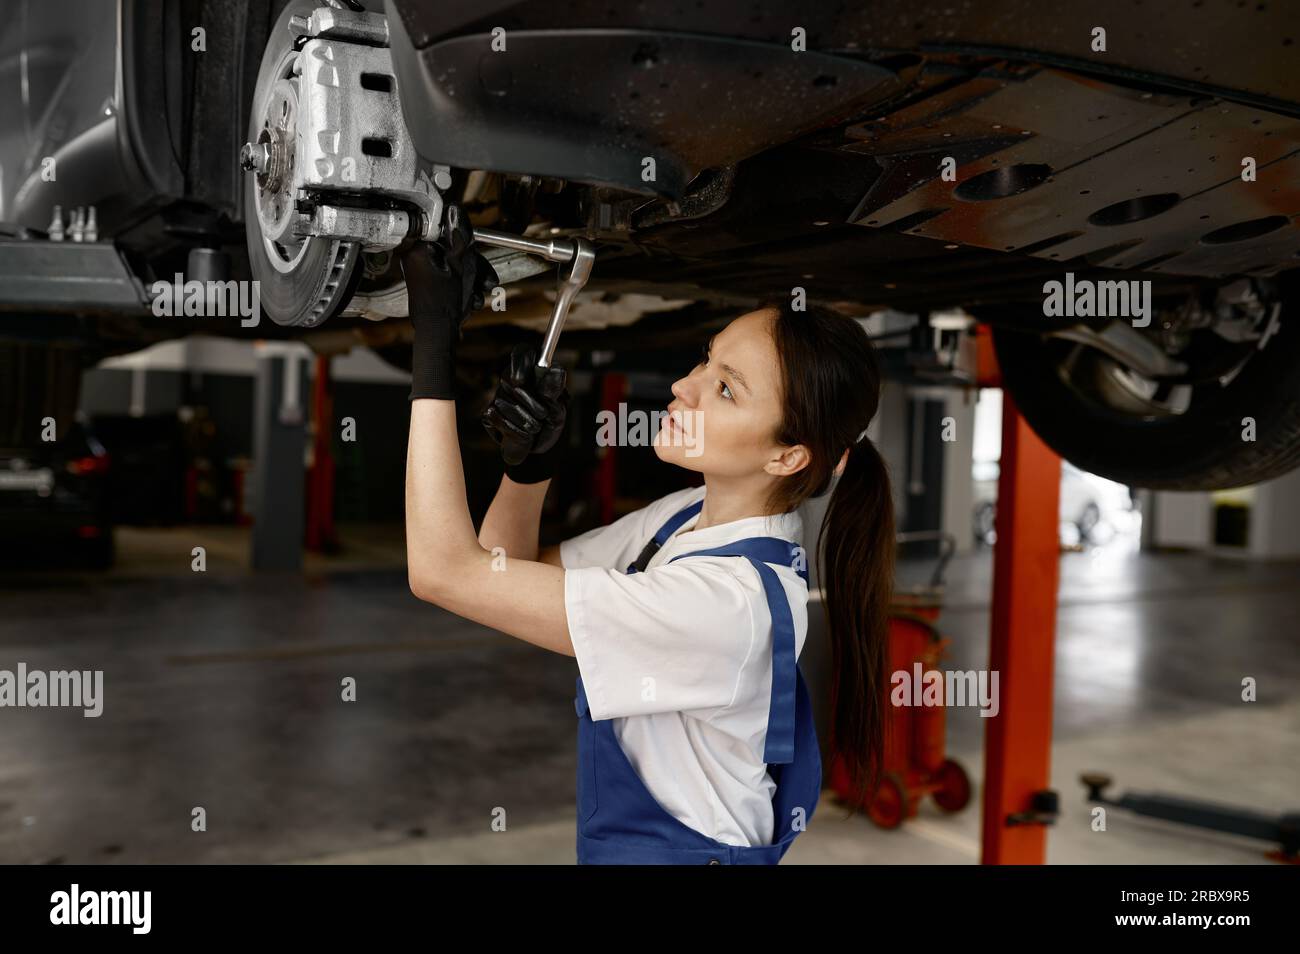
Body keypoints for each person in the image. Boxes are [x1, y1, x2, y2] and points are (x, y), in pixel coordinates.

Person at [403, 202, 895, 865]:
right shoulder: (685, 518)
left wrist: (432, 349)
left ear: (787, 455)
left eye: (725, 390)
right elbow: (500, 568)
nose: (683, 387)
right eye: (705, 361)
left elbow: (443, 573)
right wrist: (530, 472)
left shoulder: (723, 605)